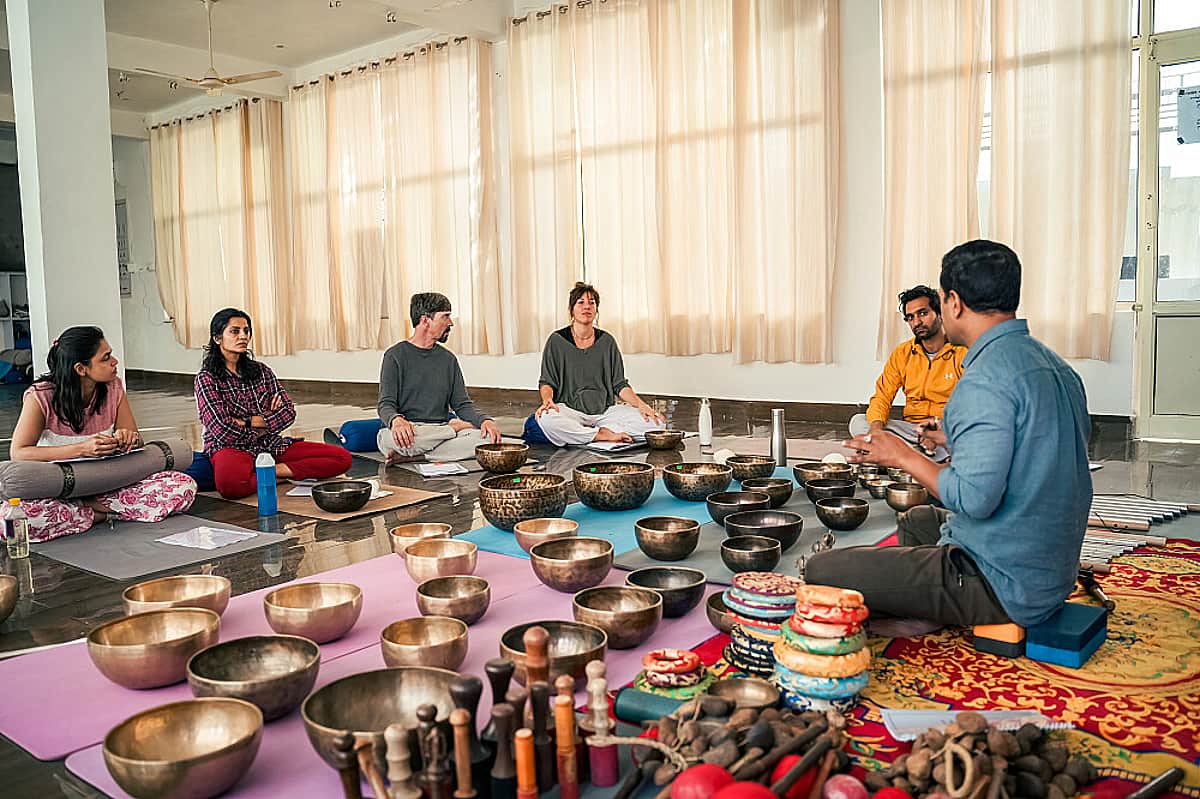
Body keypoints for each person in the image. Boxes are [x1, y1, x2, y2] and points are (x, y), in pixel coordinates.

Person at [806, 240, 1092, 629]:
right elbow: (1032, 451)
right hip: (1050, 573)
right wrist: (953, 438)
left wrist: (902, 456)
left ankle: (944, 601)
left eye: (937, 302)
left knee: (824, 569)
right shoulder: (1056, 366)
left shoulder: (983, 377)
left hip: (999, 582)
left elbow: (973, 499)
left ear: (953, 303)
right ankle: (923, 598)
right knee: (917, 518)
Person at [8, 326, 196, 541]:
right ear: (81, 369)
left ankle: (82, 512)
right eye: (106, 358)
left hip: (107, 484)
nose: (114, 361)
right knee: (11, 520)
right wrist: (81, 449)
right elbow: (19, 453)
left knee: (183, 486)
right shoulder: (40, 397)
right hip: (58, 488)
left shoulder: (113, 387)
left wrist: (129, 439)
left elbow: (135, 440)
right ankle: (102, 512)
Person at [196, 308, 352, 499]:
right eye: (235, 331)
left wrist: (246, 421)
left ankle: (271, 472)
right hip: (229, 447)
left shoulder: (262, 371)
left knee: (341, 458)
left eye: (246, 331)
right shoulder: (206, 378)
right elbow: (221, 429)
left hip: (269, 445)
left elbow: (288, 413)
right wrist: (263, 426)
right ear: (217, 338)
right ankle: (281, 475)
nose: (243, 336)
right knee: (231, 487)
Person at [533, 282, 664, 446]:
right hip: (570, 411)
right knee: (547, 419)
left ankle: (592, 433)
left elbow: (620, 385)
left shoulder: (607, 341)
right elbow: (547, 381)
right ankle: (601, 435)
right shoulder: (557, 341)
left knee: (656, 423)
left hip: (605, 412)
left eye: (591, 303)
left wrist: (642, 405)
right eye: (580, 302)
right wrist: (547, 400)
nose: (586, 307)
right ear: (571, 309)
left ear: (596, 310)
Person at [377, 292, 502, 464]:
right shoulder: (394, 356)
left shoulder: (448, 360)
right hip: (411, 431)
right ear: (425, 320)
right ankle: (449, 434)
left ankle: (420, 456)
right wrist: (396, 420)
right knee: (392, 440)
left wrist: (484, 420)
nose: (450, 322)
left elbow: (462, 404)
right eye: (445, 316)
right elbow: (385, 404)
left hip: (437, 429)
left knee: (488, 439)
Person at [849, 285, 966, 461]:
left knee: (970, 434)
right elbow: (882, 396)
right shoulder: (903, 353)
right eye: (910, 317)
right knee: (859, 422)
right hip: (912, 430)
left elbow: (971, 403)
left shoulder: (961, 350)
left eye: (922, 313)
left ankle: (903, 455)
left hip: (947, 427)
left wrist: (938, 432)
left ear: (940, 312)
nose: (916, 322)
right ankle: (922, 455)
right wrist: (876, 430)